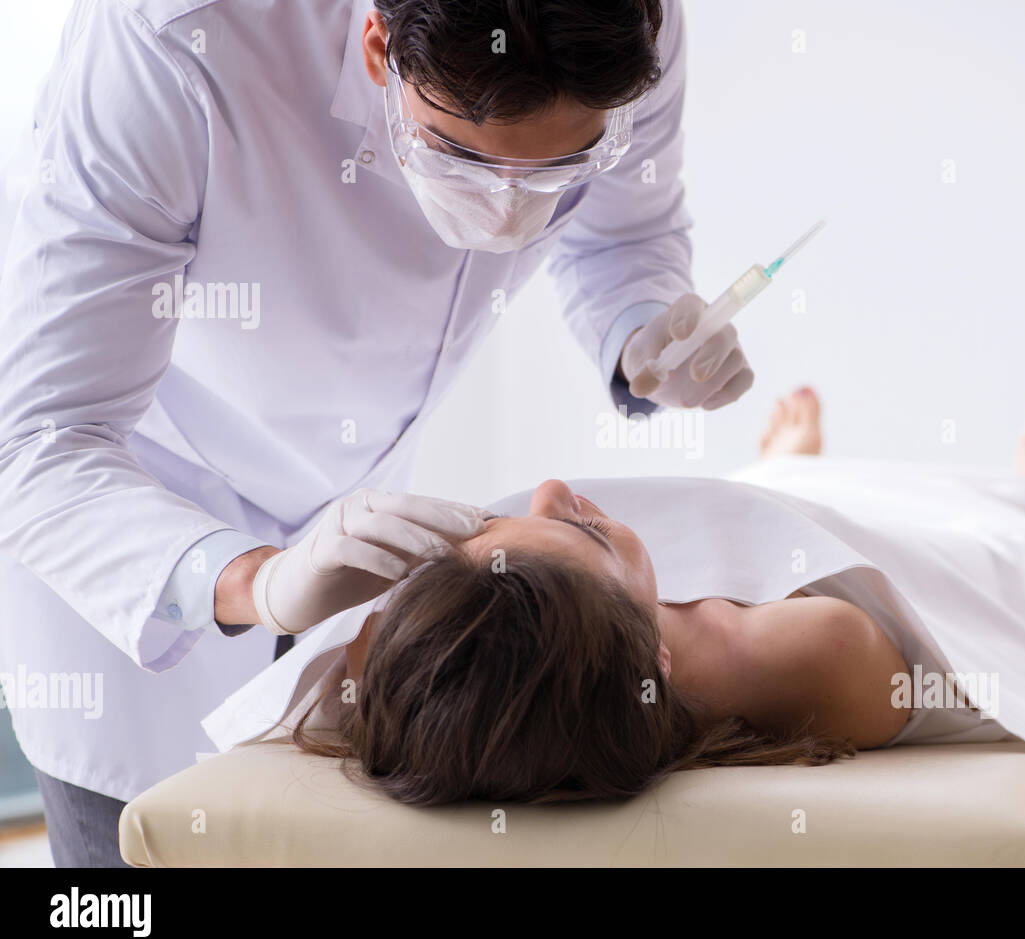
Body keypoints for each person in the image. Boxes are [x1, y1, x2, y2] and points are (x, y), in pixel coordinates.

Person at [0, 0, 749, 866]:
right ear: (377, 45)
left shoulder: (630, 29)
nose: (509, 219)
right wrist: (262, 582)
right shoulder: (173, 39)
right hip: (141, 534)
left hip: (364, 567)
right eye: (459, 154)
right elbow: (44, 438)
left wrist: (646, 333)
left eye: (560, 166)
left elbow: (627, 234)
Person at [290, 386, 1025, 865]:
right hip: (890, 567)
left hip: (764, 530)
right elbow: (978, 615)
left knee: (766, 499)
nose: (557, 487)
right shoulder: (801, 651)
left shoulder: (437, 667)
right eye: (589, 528)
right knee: (990, 539)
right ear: (657, 656)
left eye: (493, 528)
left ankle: (780, 472)